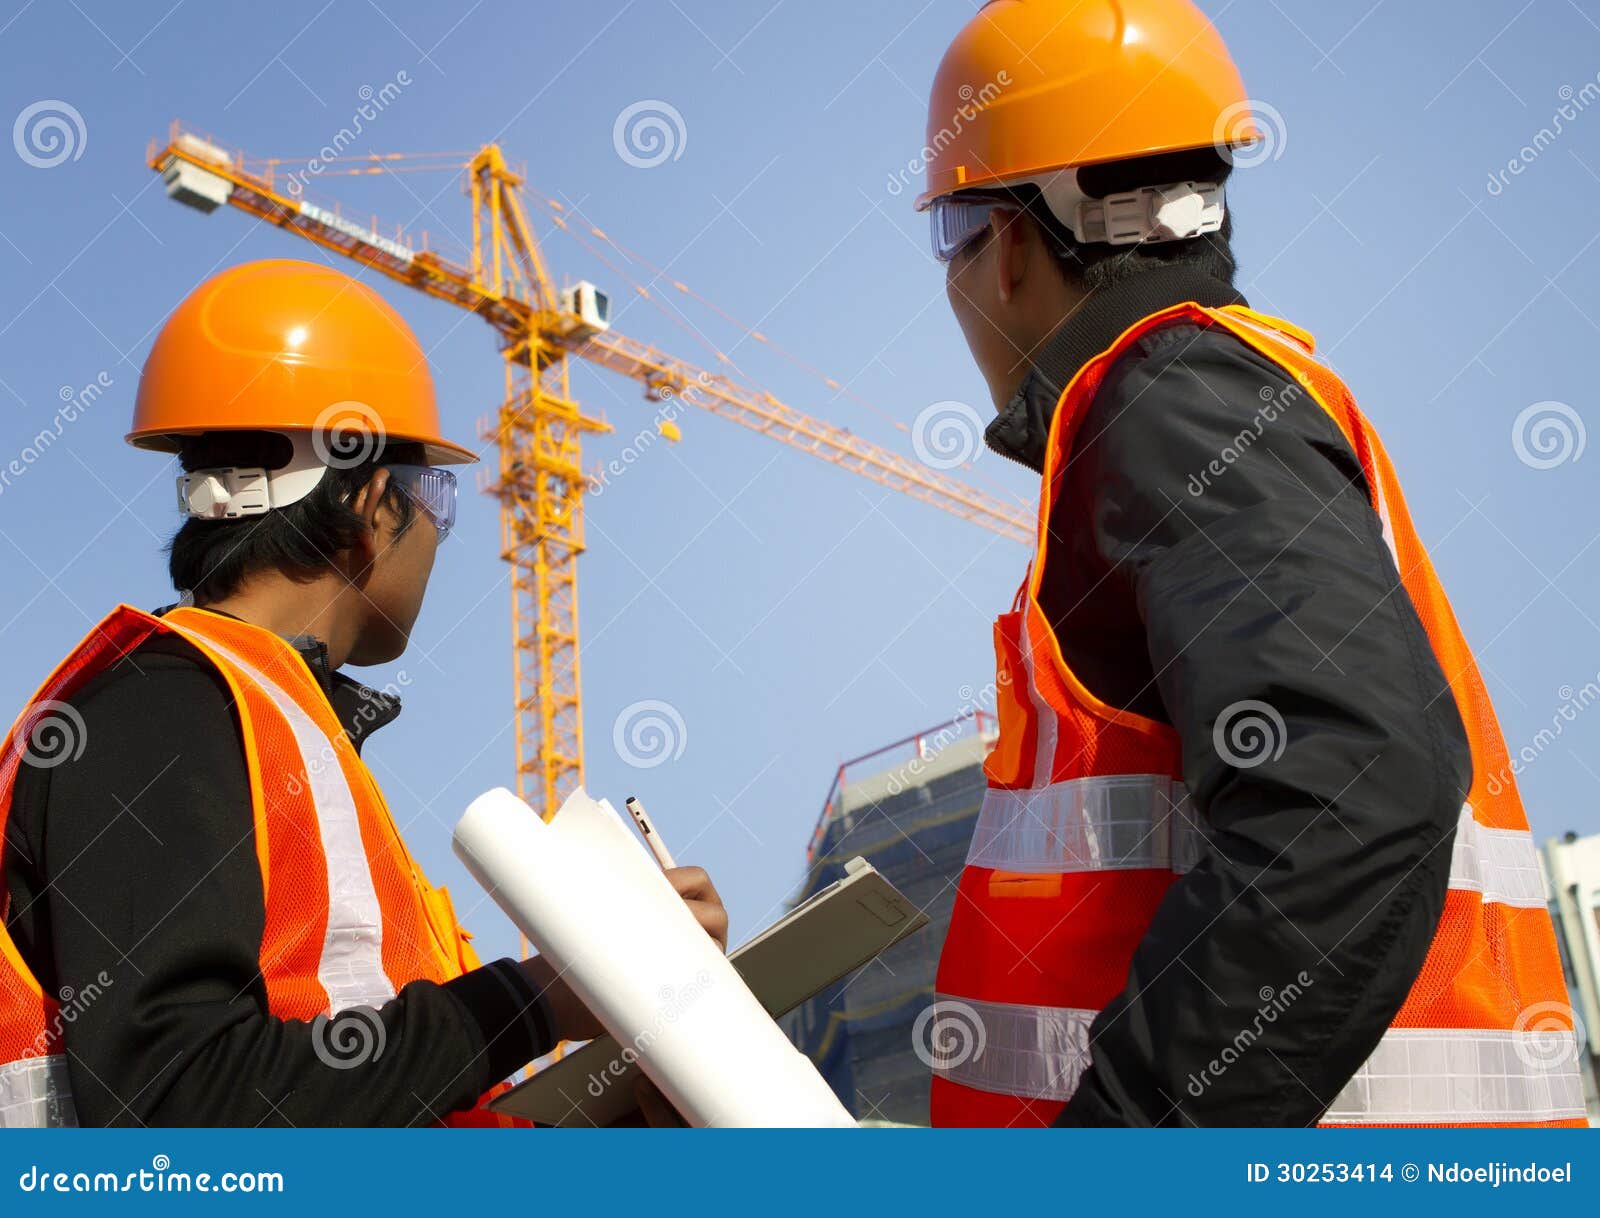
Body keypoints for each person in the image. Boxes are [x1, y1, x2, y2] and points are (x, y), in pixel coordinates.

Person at [917, 0, 1585, 1127]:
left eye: (950, 235)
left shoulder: (1169, 401)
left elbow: (1351, 784)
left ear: (1013, 242)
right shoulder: (1223, 395)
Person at [0, 258, 726, 1127]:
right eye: (436, 500)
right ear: (373, 501)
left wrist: (649, 1090)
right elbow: (187, 1108)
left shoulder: (264, 728)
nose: (436, 536)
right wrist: (535, 999)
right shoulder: (163, 714)